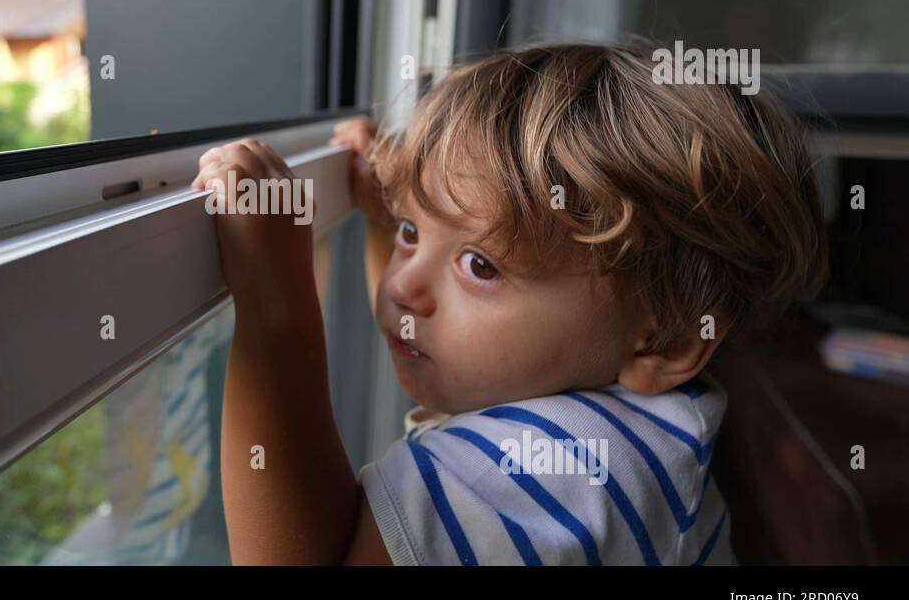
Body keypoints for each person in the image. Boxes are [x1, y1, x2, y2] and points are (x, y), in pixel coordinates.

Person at [190, 42, 827, 565]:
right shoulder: (644, 422)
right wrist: (388, 222)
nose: (403, 287)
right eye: (415, 231)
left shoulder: (556, 472)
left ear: (665, 342)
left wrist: (275, 305)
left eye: (481, 265)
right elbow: (450, 345)